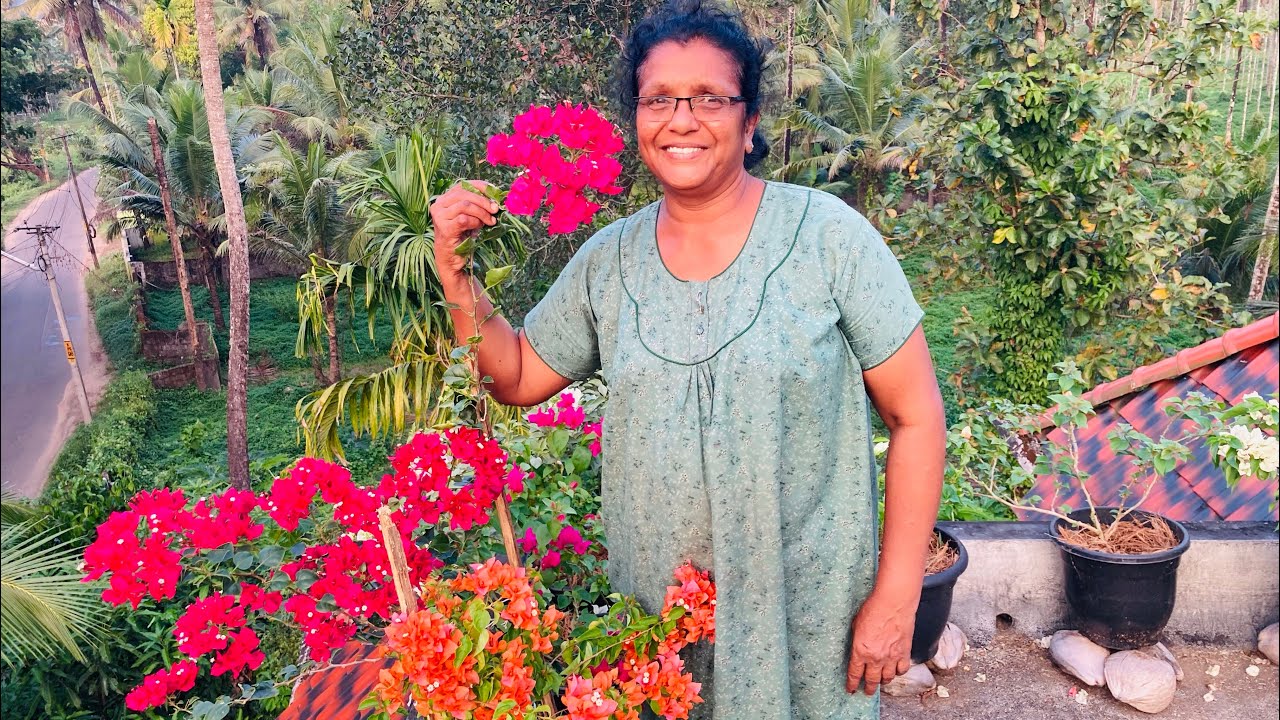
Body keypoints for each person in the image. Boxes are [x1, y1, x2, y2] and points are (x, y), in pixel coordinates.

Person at [429, 1, 944, 717]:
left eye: (710, 98)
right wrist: (457, 275)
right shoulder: (607, 264)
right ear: (636, 119)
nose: (682, 119)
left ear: (750, 119)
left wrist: (897, 597)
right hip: (661, 631)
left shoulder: (831, 240)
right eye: (659, 99)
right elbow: (514, 376)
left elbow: (915, 415)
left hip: (805, 622)